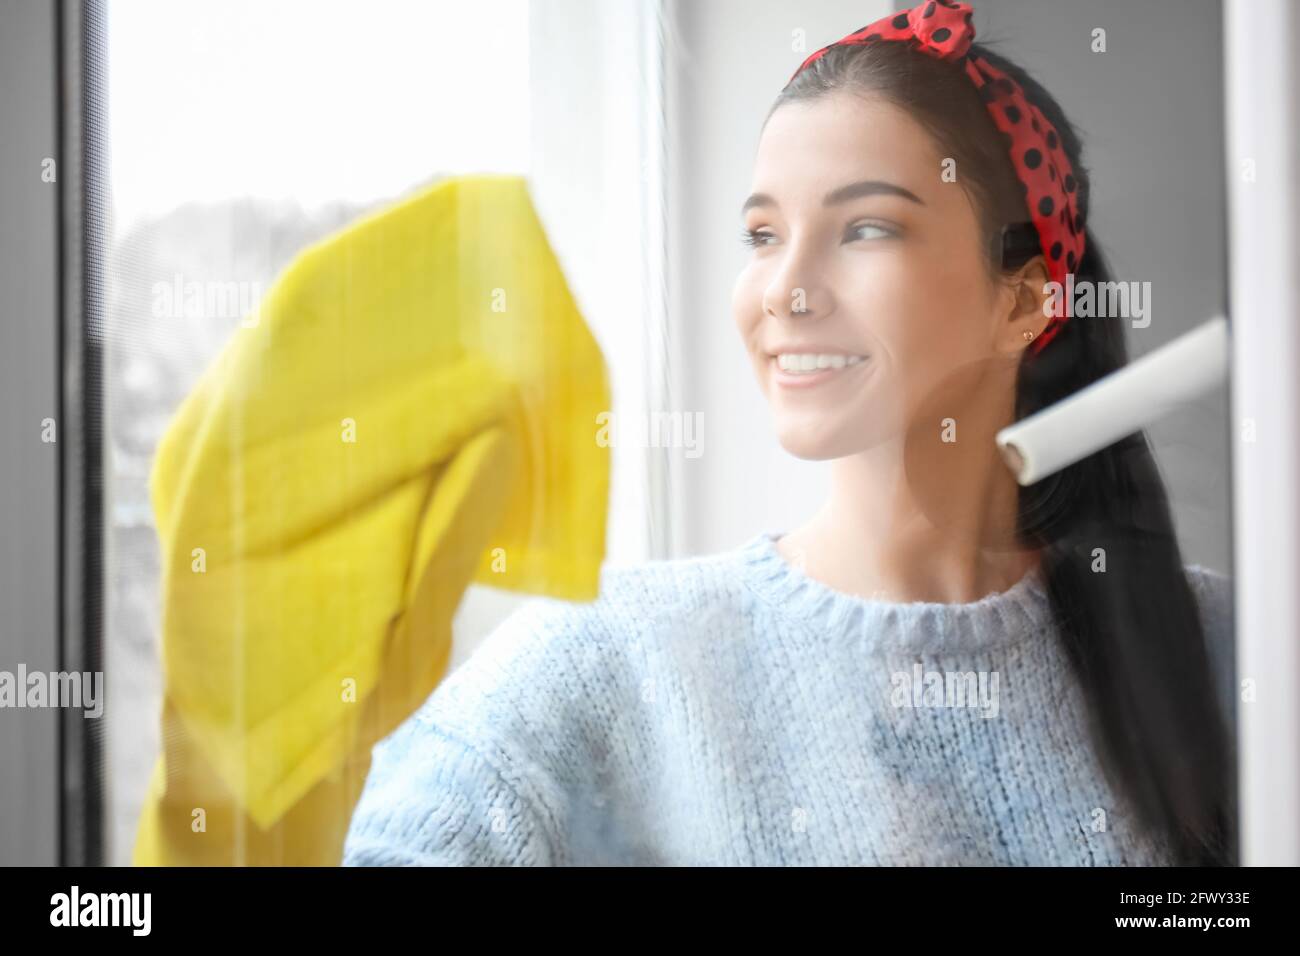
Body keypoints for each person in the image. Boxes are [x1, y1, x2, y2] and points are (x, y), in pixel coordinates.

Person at [341, 0, 1236, 866]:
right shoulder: (604, 665)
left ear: (1025, 301)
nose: (783, 288)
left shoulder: (1227, 642)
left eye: (866, 227)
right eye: (764, 234)